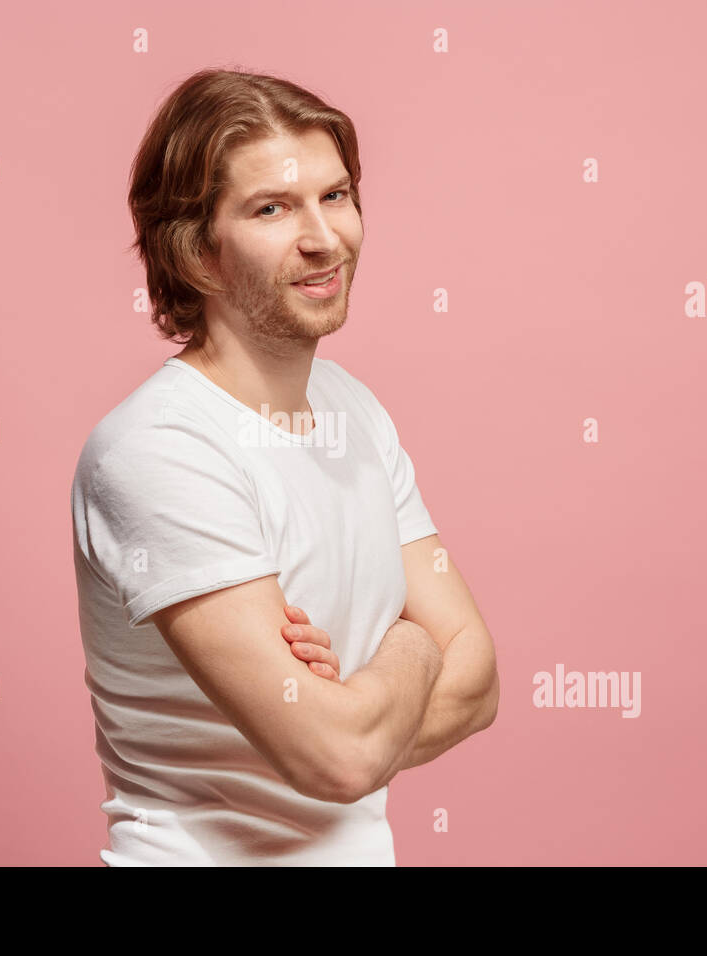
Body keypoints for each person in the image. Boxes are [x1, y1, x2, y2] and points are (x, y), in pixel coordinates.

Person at [70, 68, 499, 866]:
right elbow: (336, 758)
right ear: (197, 252)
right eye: (272, 208)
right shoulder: (161, 449)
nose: (323, 238)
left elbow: (480, 682)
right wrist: (415, 644)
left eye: (335, 197)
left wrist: (362, 709)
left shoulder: (353, 409)